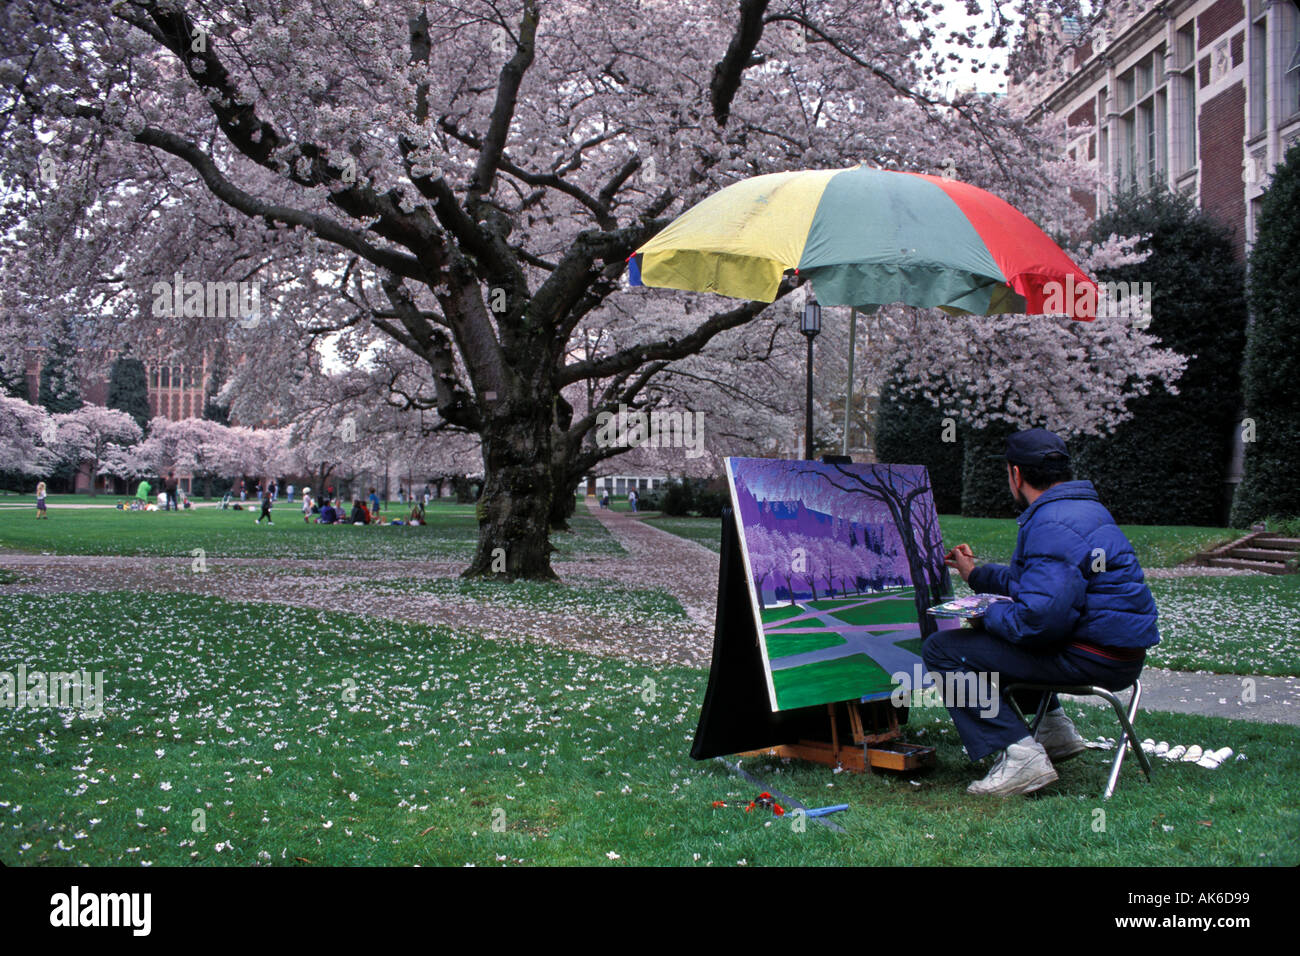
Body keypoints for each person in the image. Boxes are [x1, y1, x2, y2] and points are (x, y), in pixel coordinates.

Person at [923, 428, 1160, 797]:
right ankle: (1054, 730)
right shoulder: (1081, 510)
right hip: (1120, 655)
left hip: (1095, 658)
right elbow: (1036, 581)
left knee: (944, 648)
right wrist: (976, 575)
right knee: (992, 641)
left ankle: (1021, 757)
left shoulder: (1050, 523)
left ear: (1016, 474)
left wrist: (986, 616)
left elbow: (1039, 622)